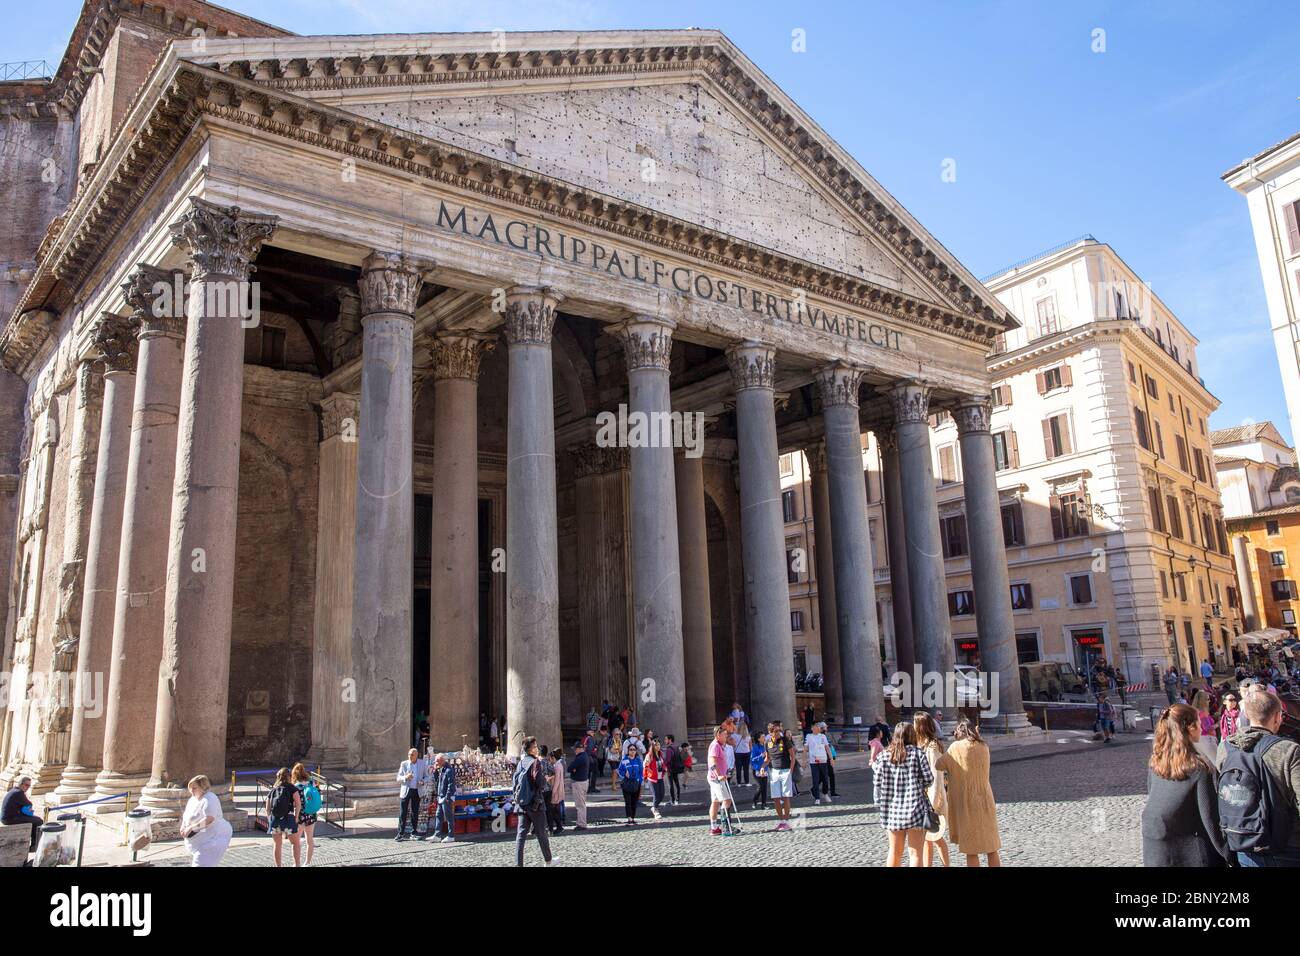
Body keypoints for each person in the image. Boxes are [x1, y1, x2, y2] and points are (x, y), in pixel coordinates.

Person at [1218, 690, 1300, 866]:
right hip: (1287, 846)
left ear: (1246, 715)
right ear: (1278, 717)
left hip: (1244, 844)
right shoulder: (1288, 750)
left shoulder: (1225, 748)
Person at [1141, 703, 1229, 867]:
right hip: (1191, 849)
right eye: (1199, 724)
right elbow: (1210, 817)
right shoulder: (1199, 769)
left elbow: (1153, 794)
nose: (1202, 729)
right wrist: (1227, 853)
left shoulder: (1156, 761)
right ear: (1190, 727)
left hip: (1155, 841)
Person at [934, 721, 1001, 867]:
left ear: (959, 731)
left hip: (966, 803)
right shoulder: (983, 746)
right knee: (992, 847)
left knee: (972, 850)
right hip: (985, 800)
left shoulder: (956, 747)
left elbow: (939, 764)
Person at [871, 722, 934, 867]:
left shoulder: (883, 756)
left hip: (892, 811)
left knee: (894, 851)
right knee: (916, 853)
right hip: (916, 809)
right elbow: (929, 779)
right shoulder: (918, 754)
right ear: (912, 735)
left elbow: (877, 782)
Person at [913, 712, 951, 867]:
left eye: (915, 723)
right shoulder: (921, 746)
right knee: (927, 840)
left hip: (933, 801)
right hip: (924, 800)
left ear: (920, 726)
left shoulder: (932, 748)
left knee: (937, 839)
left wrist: (933, 806)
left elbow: (936, 779)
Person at [513, 737, 556, 866]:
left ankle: (518, 864)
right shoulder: (535, 762)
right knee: (541, 833)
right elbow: (539, 781)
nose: (537, 749)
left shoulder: (520, 763)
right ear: (531, 749)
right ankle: (548, 860)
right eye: (535, 747)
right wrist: (545, 779)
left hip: (522, 804)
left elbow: (515, 782)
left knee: (520, 836)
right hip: (535, 803)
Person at [180, 774, 233, 867]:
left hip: (212, 840)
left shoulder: (210, 798)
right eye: (190, 788)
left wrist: (191, 828)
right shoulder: (192, 799)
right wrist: (183, 826)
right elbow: (186, 816)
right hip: (197, 841)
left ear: (203, 787)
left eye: (194, 788)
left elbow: (209, 819)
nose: (191, 790)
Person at [265, 767, 303, 867]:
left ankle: (279, 866)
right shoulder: (292, 788)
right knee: (295, 843)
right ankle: (297, 864)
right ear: (289, 776)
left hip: (275, 820)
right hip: (288, 820)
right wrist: (296, 817)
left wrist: (270, 819)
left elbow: (268, 807)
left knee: (277, 845)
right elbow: (298, 804)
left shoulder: (273, 789)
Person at [765, 720, 797, 831]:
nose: (778, 732)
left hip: (785, 771)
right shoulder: (767, 743)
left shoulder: (785, 740)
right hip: (774, 772)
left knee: (785, 797)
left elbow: (792, 756)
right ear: (770, 732)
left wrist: (790, 771)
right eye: (776, 731)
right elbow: (767, 758)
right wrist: (761, 767)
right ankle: (781, 821)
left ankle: (786, 821)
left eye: (779, 730)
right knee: (776, 798)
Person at [1, 775, 41, 855]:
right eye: (26, 785)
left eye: (29, 786)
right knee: (38, 821)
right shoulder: (19, 793)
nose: (27, 787)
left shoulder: (14, 790)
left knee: (33, 819)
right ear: (21, 784)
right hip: (10, 818)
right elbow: (29, 803)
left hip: (8, 817)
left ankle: (33, 844)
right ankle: (34, 845)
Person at [707, 724, 734, 835]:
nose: (726, 737)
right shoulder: (715, 746)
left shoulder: (719, 745)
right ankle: (725, 826)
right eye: (724, 735)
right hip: (717, 779)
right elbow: (712, 762)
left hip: (715, 778)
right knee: (727, 801)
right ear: (718, 735)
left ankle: (714, 827)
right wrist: (718, 775)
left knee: (715, 802)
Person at [290, 763, 321, 862]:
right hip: (311, 814)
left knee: (296, 841)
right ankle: (307, 862)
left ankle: (297, 863)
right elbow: (319, 793)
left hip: (300, 815)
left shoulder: (295, 787)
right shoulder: (312, 782)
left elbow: (294, 802)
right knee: (310, 840)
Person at [395, 747, 425, 841]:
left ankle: (414, 833)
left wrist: (422, 781)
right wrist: (405, 777)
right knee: (403, 812)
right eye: (409, 754)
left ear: (416, 755)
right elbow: (398, 778)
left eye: (412, 755)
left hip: (416, 790)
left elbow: (428, 776)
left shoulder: (422, 763)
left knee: (415, 812)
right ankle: (401, 833)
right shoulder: (404, 764)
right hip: (406, 791)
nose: (410, 756)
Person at [805, 720, 832, 805]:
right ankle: (817, 797)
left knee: (825, 778)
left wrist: (831, 759)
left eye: (818, 726)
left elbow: (827, 748)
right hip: (813, 761)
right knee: (815, 780)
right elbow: (805, 749)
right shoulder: (809, 736)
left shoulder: (822, 736)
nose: (818, 728)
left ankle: (825, 793)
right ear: (812, 728)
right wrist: (804, 760)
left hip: (823, 760)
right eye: (816, 726)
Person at [432, 753, 457, 843]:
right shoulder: (442, 769)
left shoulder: (449, 770)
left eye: (437, 761)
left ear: (442, 760)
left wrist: (447, 796)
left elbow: (451, 785)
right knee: (438, 815)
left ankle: (451, 835)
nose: (436, 763)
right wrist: (435, 771)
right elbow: (437, 781)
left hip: (445, 797)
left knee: (449, 816)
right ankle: (437, 835)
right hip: (441, 796)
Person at [617, 743, 644, 824]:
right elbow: (620, 770)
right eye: (631, 750)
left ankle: (633, 817)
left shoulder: (638, 760)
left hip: (636, 783)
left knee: (634, 802)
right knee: (628, 801)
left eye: (634, 750)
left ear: (636, 751)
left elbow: (641, 772)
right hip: (627, 783)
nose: (632, 751)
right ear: (628, 751)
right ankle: (629, 818)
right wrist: (625, 773)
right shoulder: (624, 760)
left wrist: (639, 779)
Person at [568, 739, 591, 829]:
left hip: (579, 783)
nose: (574, 751)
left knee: (580, 805)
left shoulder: (580, 757)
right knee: (582, 804)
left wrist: (574, 769)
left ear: (578, 749)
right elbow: (572, 768)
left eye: (575, 749)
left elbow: (570, 768)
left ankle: (581, 824)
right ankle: (581, 822)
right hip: (583, 782)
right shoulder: (584, 756)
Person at [643, 737, 668, 820]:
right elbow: (645, 765)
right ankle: (655, 810)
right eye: (655, 745)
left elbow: (662, 763)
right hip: (653, 779)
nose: (657, 747)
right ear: (652, 746)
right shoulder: (649, 755)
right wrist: (649, 772)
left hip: (660, 778)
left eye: (658, 745)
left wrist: (665, 768)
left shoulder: (660, 754)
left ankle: (654, 807)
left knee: (662, 794)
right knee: (656, 796)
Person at [546, 746, 566, 835]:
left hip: (556, 790)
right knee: (555, 810)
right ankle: (559, 826)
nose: (550, 760)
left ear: (553, 758)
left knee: (554, 811)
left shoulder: (557, 766)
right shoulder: (559, 764)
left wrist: (553, 792)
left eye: (550, 759)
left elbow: (557, 781)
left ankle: (559, 826)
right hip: (559, 789)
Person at [750, 729, 770, 809]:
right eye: (762, 737)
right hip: (757, 769)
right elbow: (752, 759)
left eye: (764, 736)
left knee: (764, 787)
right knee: (760, 786)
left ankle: (764, 804)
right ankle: (755, 800)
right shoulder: (755, 747)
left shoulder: (766, 746)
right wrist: (760, 756)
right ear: (758, 739)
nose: (764, 738)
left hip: (765, 768)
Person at [665, 735, 685, 805]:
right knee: (677, 784)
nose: (665, 741)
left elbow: (668, 760)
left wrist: (666, 767)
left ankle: (672, 800)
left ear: (670, 740)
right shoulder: (676, 747)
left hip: (670, 769)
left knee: (670, 785)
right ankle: (677, 799)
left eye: (666, 739)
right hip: (676, 768)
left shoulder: (669, 749)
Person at [733, 722, 753, 786]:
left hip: (738, 753)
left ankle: (739, 783)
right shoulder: (748, 736)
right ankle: (747, 782)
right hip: (746, 753)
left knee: (738, 769)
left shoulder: (735, 735)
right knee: (746, 769)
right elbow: (750, 746)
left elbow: (731, 742)